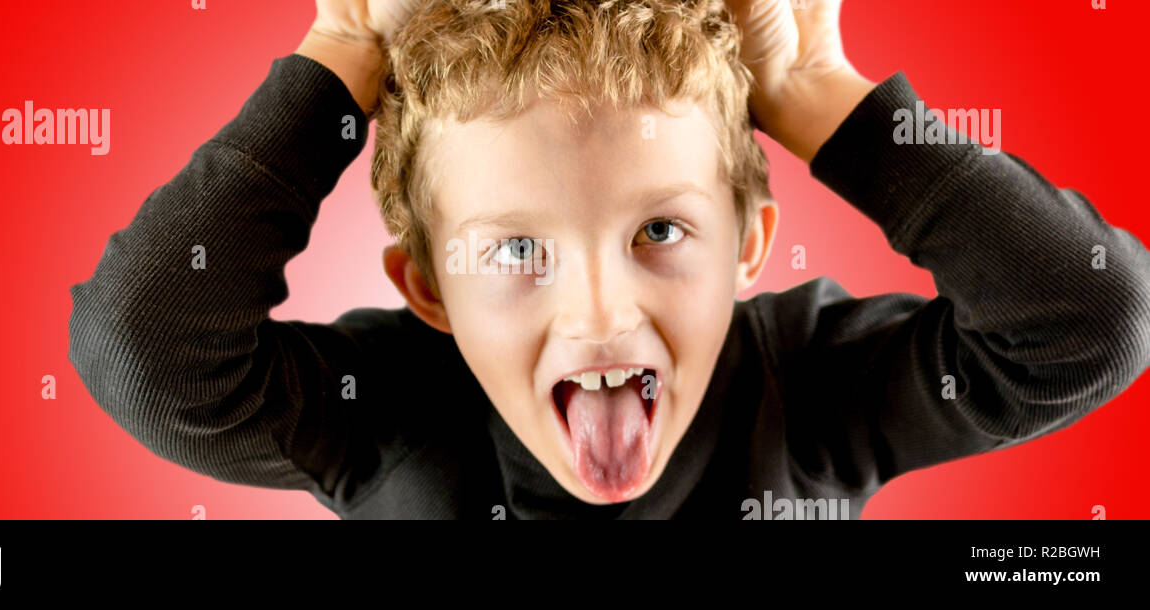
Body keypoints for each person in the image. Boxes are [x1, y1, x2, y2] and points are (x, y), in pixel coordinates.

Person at [67, 0, 1150, 519]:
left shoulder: (805, 395)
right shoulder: (388, 410)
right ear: (428, 287)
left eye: (661, 232)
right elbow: (145, 347)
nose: (597, 313)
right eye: (517, 249)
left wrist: (817, 88)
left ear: (752, 245)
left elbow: (1089, 318)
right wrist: (343, 48)